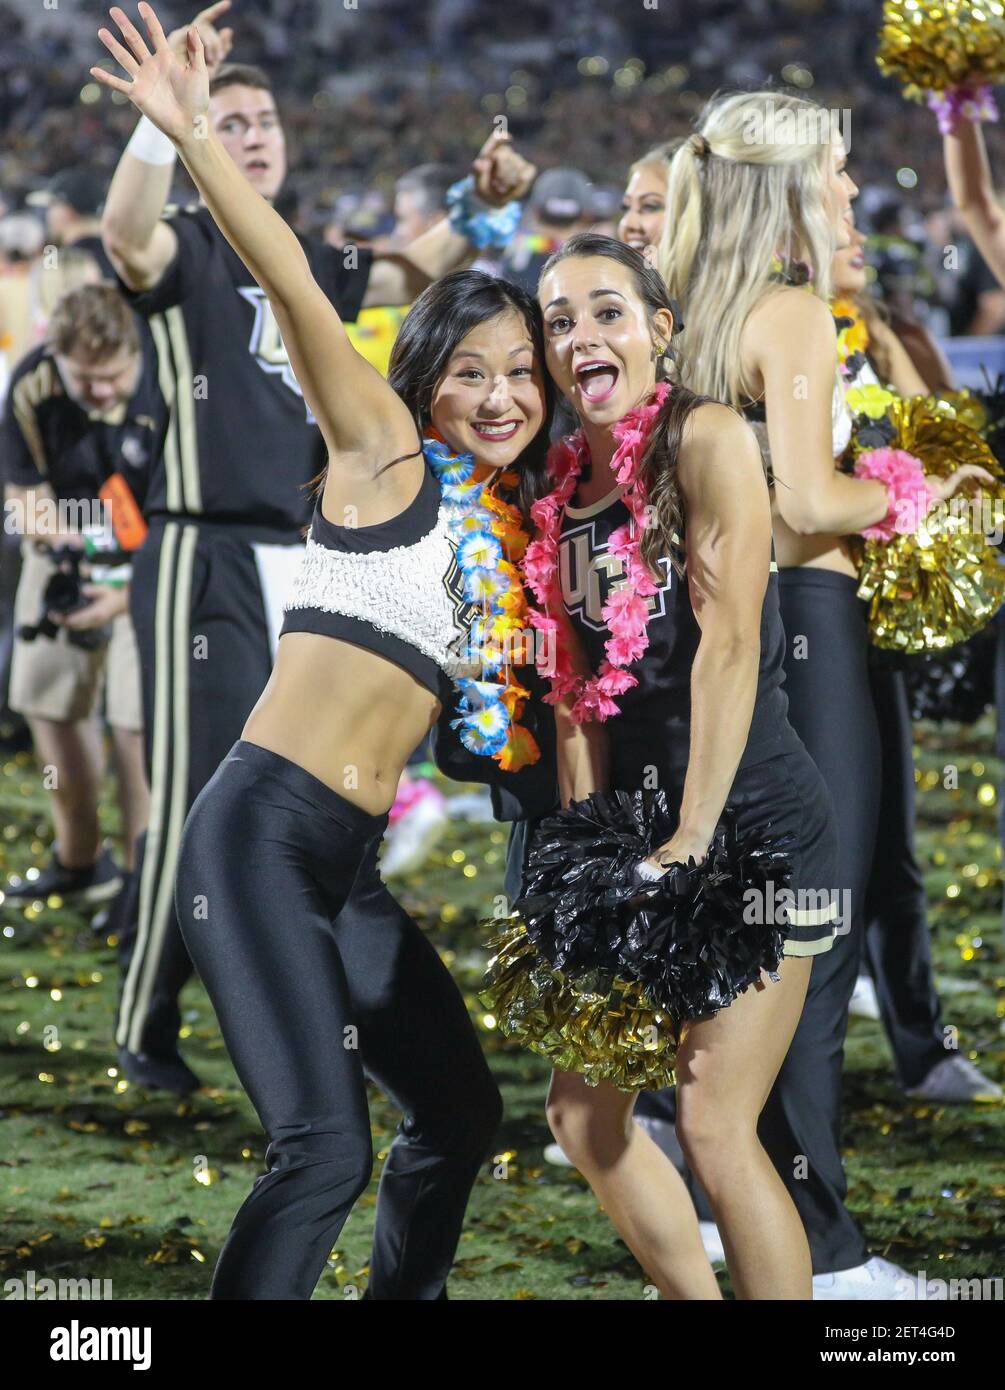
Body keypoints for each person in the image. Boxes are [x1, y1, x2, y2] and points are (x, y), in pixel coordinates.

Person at [91, 0, 553, 1299]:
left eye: (521, 372)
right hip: (256, 843)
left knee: (459, 1115)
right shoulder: (380, 448)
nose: (499, 395)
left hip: (343, 871)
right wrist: (189, 137)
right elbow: (295, 280)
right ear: (423, 378)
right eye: (471, 371)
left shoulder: (506, 531)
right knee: (319, 1150)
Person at [660, 90, 991, 1297]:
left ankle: (746, 1197)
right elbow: (806, 500)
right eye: (839, 176)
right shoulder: (792, 311)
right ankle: (824, 1247)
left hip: (734, 629)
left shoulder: (699, 304)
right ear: (793, 186)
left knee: (765, 923)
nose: (853, 194)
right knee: (818, 929)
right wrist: (916, 486)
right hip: (808, 619)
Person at [486, 231, 842, 1300]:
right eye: (558, 319)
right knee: (582, 1115)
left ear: (659, 330)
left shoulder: (708, 435)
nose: (580, 334)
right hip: (635, 836)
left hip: (754, 827)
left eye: (606, 310)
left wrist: (691, 836)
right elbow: (572, 684)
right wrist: (581, 855)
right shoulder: (556, 477)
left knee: (713, 1122)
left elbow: (729, 647)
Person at [1, 283, 159, 908]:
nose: (98, 392)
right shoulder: (31, 382)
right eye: (83, 378)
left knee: (135, 724)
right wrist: (67, 543)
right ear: (56, 355)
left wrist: (123, 589)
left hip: (152, 554)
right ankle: (82, 860)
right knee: (49, 702)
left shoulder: (168, 380)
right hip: (69, 551)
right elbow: (23, 497)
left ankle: (145, 886)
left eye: (111, 377)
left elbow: (187, 509)